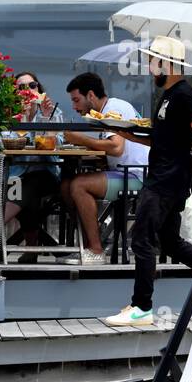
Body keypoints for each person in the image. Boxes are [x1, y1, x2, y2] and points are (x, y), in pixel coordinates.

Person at [102, 36, 192, 328]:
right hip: (166, 178)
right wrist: (124, 133)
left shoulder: (185, 95)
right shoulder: (168, 94)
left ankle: (142, 306)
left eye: (153, 61)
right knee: (170, 243)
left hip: (166, 181)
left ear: (168, 64)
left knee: (142, 238)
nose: (149, 67)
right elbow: (160, 139)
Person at [60, 72, 150, 264]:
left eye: (77, 100)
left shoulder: (113, 108)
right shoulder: (105, 112)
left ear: (91, 95)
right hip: (126, 171)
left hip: (137, 175)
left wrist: (79, 139)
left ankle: (95, 249)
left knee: (78, 186)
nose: (74, 107)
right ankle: (88, 243)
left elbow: (116, 147)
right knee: (66, 186)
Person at [2, 74, 66, 261]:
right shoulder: (10, 115)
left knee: (29, 183)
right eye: (21, 87)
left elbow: (56, 143)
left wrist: (45, 119)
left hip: (47, 172)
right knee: (24, 189)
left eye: (32, 85)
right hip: (16, 174)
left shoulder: (53, 112)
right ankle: (31, 248)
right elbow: (4, 143)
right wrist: (23, 121)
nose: (27, 90)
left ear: (39, 89)